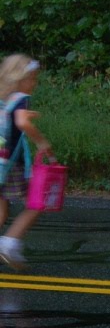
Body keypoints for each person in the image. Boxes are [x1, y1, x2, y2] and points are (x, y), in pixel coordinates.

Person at [0, 54, 53, 271]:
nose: (34, 83)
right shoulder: (21, 97)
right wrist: (42, 143)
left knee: (1, 210)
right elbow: (21, 122)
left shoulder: (4, 97)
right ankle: (9, 242)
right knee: (36, 201)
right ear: (19, 78)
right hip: (10, 166)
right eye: (32, 78)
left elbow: (12, 118)